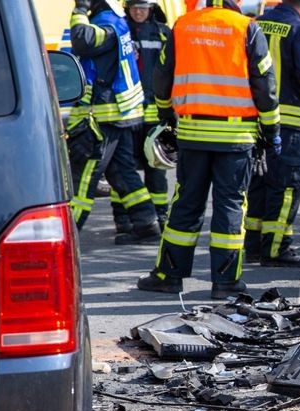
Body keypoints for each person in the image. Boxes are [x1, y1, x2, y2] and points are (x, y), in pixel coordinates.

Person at [135, 0, 280, 299]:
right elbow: (264, 84)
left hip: (192, 133)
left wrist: (165, 114)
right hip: (236, 135)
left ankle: (168, 275)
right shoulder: (247, 28)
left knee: (186, 203)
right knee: (230, 206)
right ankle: (225, 282)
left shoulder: (184, 26)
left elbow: (162, 75)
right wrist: (271, 130)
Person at [67, 0, 161, 244]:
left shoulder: (106, 24)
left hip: (103, 119)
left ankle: (67, 233)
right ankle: (146, 224)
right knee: (121, 172)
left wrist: (79, 11)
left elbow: (81, 40)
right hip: (119, 115)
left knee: (84, 176)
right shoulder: (118, 23)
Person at [247, 0, 300, 268]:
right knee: (286, 185)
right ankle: (277, 248)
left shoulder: (256, 23)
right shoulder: (299, 29)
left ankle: (253, 245)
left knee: (258, 182)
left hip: (254, 117)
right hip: (288, 120)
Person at [111, 0, 172, 233]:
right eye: (134, 7)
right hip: (127, 112)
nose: (138, 11)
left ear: (152, 8)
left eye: (143, 7)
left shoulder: (163, 33)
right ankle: (123, 218)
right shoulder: (120, 29)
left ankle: (159, 215)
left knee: (156, 166)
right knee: (124, 167)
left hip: (156, 113)